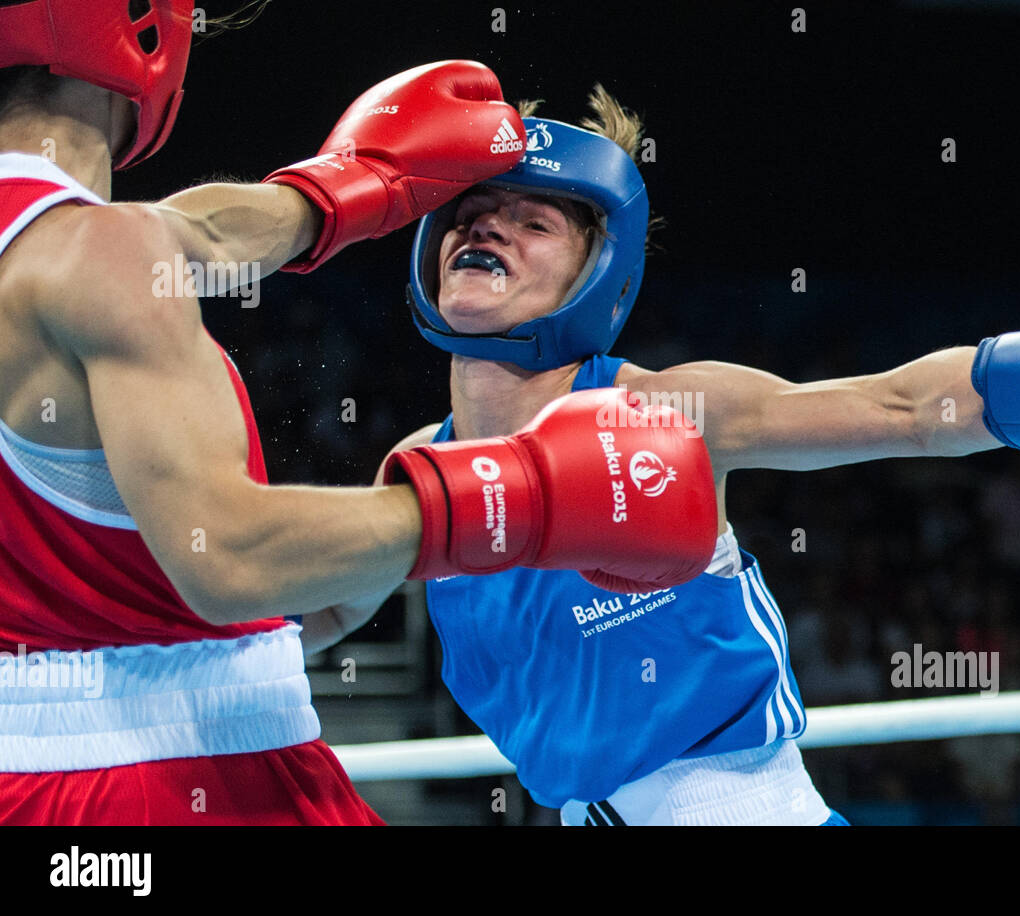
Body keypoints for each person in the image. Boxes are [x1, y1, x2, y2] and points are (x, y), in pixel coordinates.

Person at [322, 85, 1020, 826]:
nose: (488, 229)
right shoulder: (418, 465)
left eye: (534, 225)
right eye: (476, 212)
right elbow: (322, 610)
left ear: (592, 276)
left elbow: (894, 408)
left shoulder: (657, 407)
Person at [0, 1, 716, 825]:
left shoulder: (72, 249)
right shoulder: (102, 253)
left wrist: (350, 187)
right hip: (180, 771)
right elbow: (228, 560)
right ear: (144, 30)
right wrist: (524, 493)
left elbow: (192, 237)